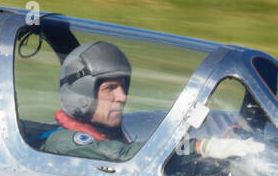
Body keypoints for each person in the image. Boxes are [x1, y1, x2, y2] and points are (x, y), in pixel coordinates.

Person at [43, 41, 261, 163]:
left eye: (123, 86)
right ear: (82, 96)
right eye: (110, 88)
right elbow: (124, 155)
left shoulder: (109, 137)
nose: (122, 96)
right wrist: (203, 147)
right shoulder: (64, 142)